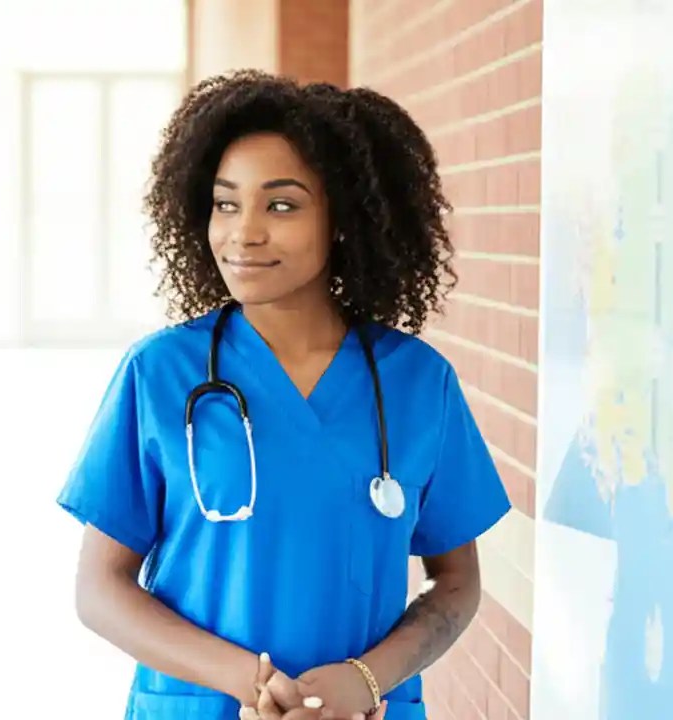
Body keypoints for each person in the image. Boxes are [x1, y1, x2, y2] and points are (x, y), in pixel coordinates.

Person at [56, 69, 510, 720]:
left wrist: (366, 679)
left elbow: (457, 582)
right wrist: (249, 681)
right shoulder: (159, 373)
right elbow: (99, 588)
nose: (243, 234)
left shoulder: (416, 382)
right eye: (225, 203)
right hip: (200, 705)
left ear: (345, 221)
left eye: (282, 205)